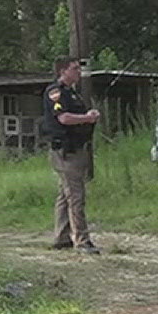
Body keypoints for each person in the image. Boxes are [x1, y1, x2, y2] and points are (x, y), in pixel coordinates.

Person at [43, 57, 101, 253]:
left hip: (77, 148)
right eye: (74, 68)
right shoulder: (56, 92)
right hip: (65, 152)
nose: (78, 72)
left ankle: (61, 237)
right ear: (63, 71)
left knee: (64, 195)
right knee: (76, 196)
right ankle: (82, 241)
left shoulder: (73, 94)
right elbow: (64, 118)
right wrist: (87, 118)